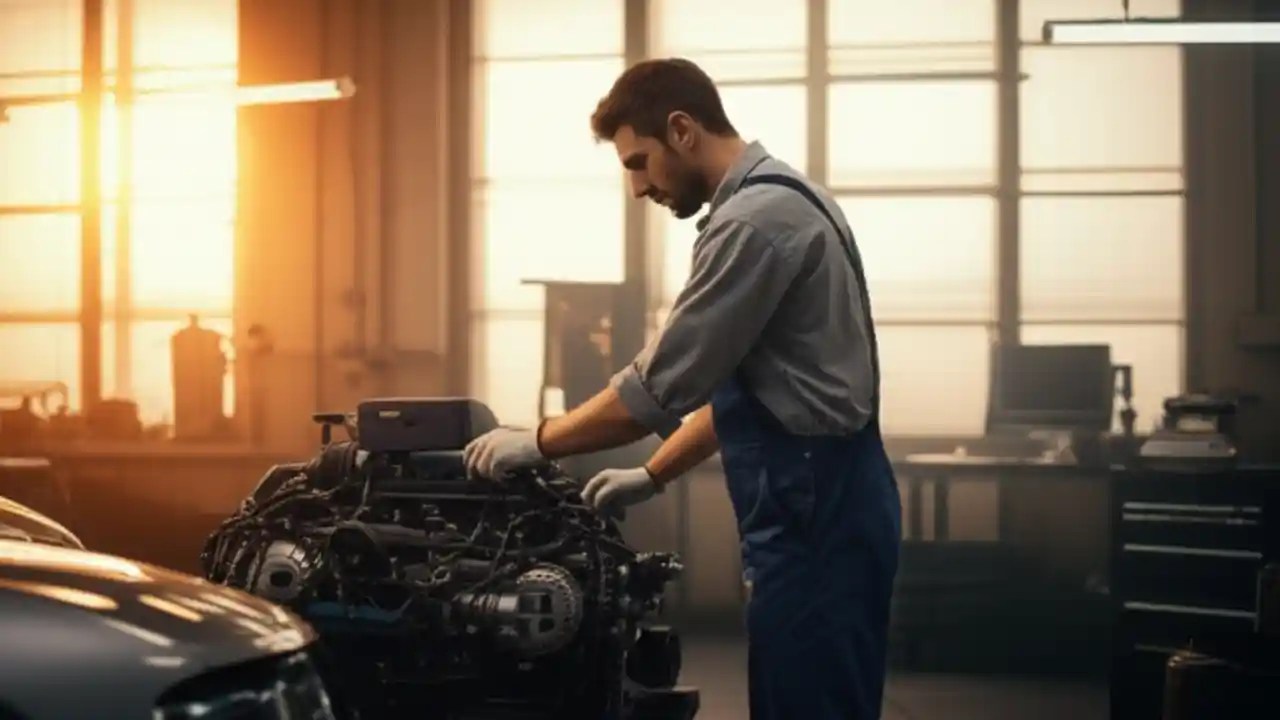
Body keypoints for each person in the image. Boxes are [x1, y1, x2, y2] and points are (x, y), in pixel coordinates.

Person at [462, 58, 902, 720]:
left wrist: (538, 441)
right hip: (824, 505)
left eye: (640, 162)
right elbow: (755, 392)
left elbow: (656, 389)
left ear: (682, 130)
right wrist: (655, 474)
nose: (638, 188)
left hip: (816, 512)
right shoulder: (782, 197)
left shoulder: (753, 224)